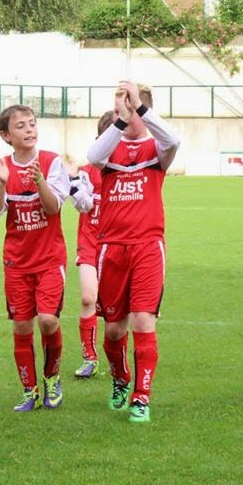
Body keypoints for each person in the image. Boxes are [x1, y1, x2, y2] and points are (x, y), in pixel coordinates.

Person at [87, 81, 180, 424]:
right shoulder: (109, 148)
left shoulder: (156, 149)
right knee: (114, 330)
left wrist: (139, 108)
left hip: (147, 247)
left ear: (143, 108)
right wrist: (120, 120)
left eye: (126, 105)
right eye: (116, 106)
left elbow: (175, 140)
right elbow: (93, 157)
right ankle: (120, 380)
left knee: (143, 321)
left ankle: (142, 397)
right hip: (111, 248)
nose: (120, 111)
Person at [0, 105, 73, 412]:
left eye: (32, 124)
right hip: (16, 262)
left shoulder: (51, 162)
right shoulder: (2, 166)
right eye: (21, 126)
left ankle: (52, 379)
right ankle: (29, 390)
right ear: (6, 135)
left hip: (49, 259)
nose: (29, 130)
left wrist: (39, 181)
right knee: (22, 328)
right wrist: (0, 182)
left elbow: (52, 208)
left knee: (48, 321)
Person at [70, 111, 116, 378]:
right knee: (89, 297)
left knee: (113, 308)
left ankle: (114, 355)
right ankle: (89, 357)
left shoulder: (124, 171)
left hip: (116, 245)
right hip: (89, 244)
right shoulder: (87, 172)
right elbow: (84, 205)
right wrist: (74, 182)